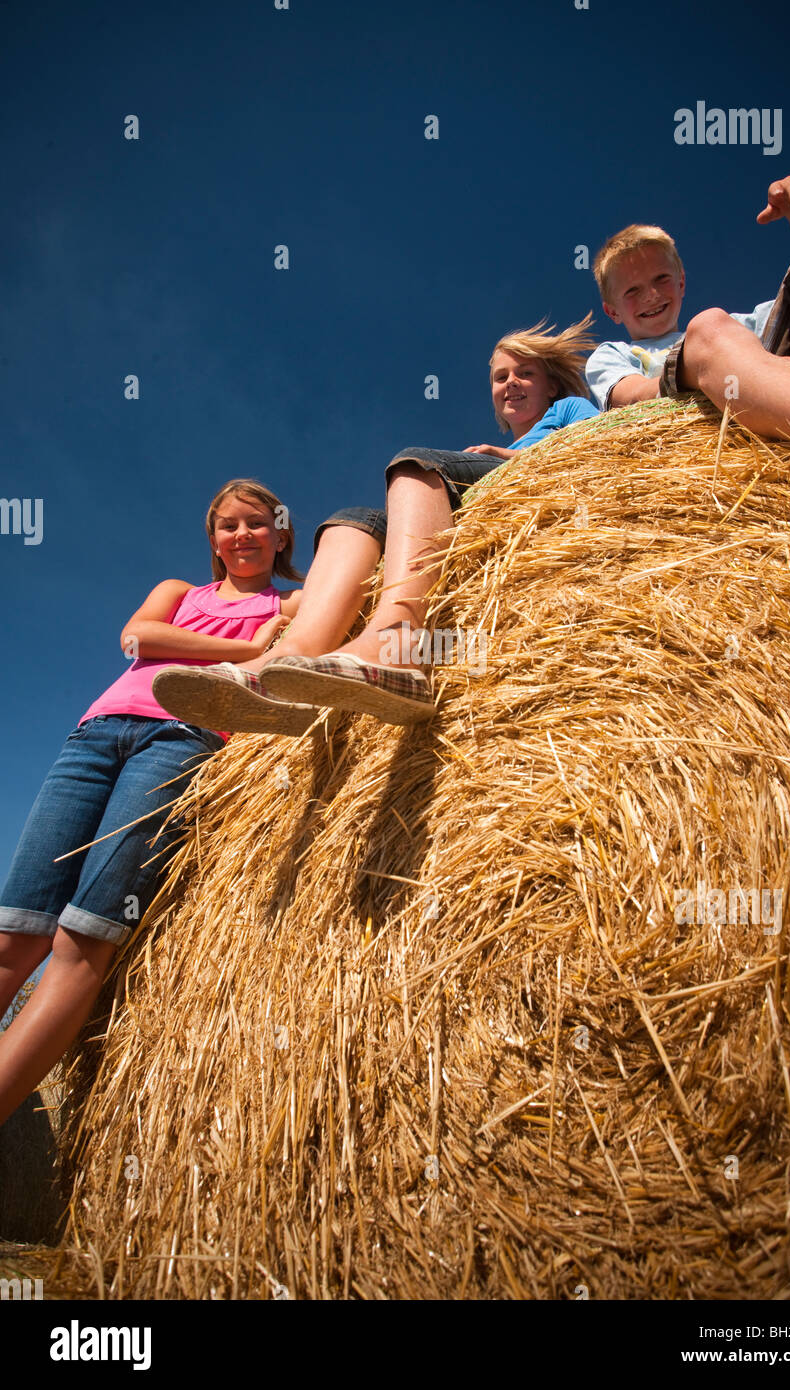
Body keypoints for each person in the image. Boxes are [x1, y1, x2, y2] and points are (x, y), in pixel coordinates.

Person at [0, 480, 384, 1126]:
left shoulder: (293, 607)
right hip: (98, 733)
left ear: (282, 534)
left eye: (258, 524)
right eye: (228, 525)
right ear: (213, 540)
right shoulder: (180, 592)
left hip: (185, 739)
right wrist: (246, 653)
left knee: (84, 938)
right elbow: (140, 638)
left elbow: (352, 585)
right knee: (16, 930)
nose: (242, 535)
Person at [155, 318, 599, 731]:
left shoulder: (567, 411)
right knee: (351, 522)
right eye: (500, 377)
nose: (511, 384)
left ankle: (398, 643)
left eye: (525, 373)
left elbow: (596, 444)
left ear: (552, 386)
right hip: (462, 518)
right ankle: (291, 662)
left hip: (526, 488)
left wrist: (511, 457)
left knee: (415, 465)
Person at [584, 173, 790, 475]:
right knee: (707, 328)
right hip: (697, 413)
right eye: (632, 291)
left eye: (661, 279)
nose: (651, 295)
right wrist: (702, 373)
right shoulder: (612, 353)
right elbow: (632, 397)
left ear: (681, 283)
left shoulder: (735, 327)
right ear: (611, 311)